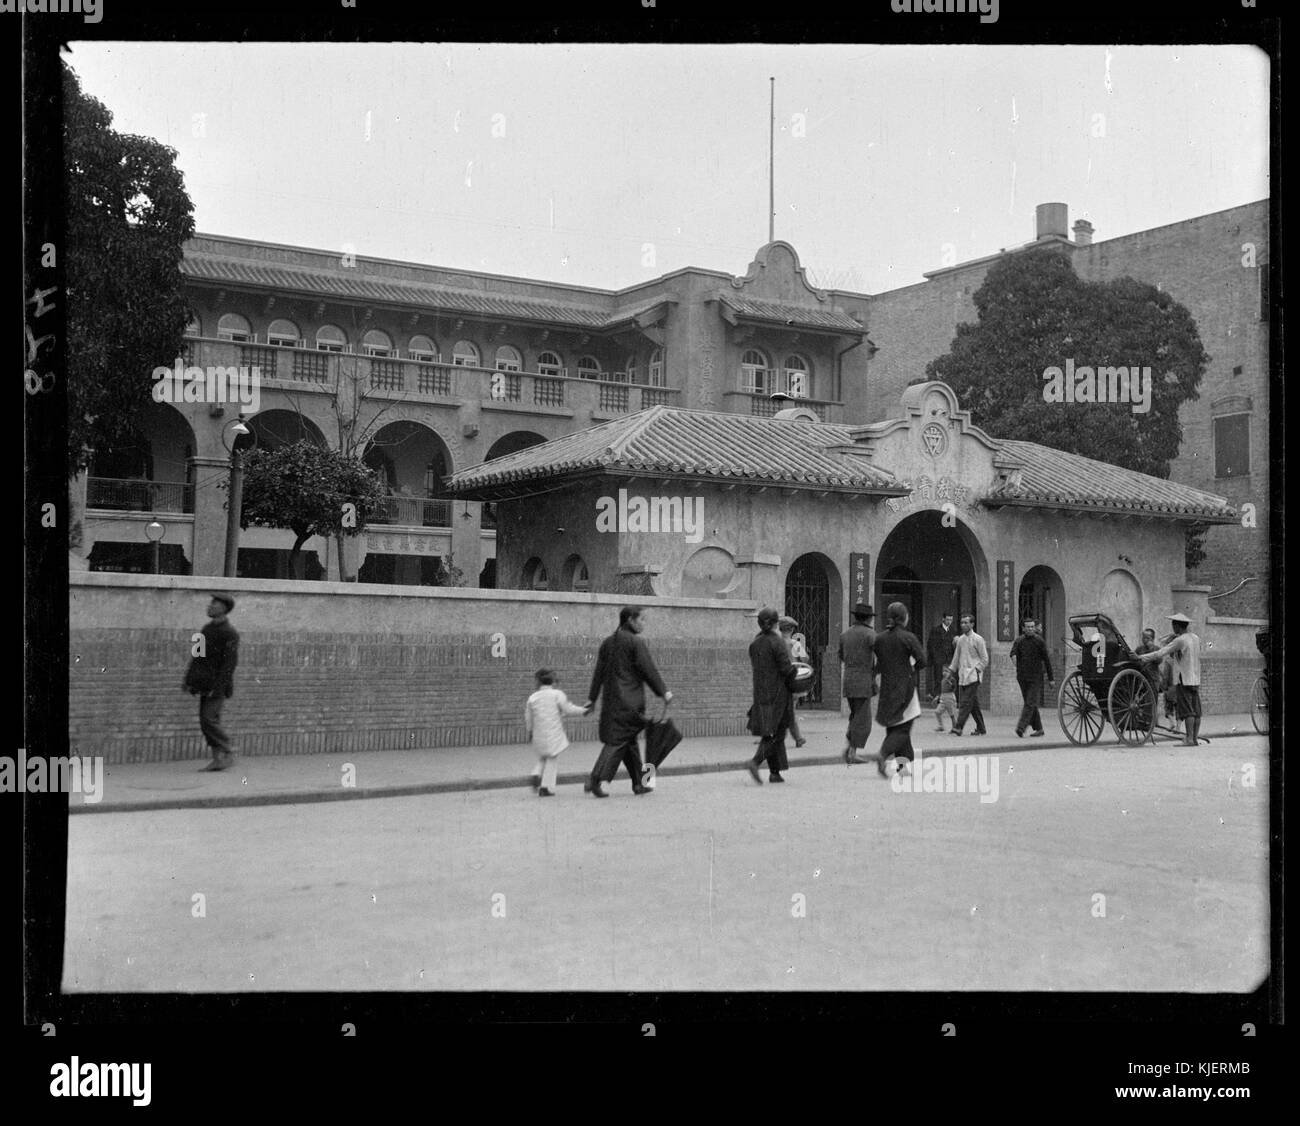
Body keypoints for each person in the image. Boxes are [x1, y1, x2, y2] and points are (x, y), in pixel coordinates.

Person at [585, 606, 672, 797]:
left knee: (629, 743)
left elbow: (598, 674)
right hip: (630, 703)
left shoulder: (607, 643)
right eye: (642, 620)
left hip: (612, 702)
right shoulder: (635, 642)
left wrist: (592, 699)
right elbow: (648, 669)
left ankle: (639, 784)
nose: (644, 624)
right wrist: (663, 691)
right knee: (619, 742)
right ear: (630, 620)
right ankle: (597, 778)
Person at [183, 592, 240, 772]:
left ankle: (227, 749)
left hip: (217, 686)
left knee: (208, 719)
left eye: (214, 604)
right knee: (205, 720)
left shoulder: (230, 633)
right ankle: (218, 759)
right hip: (204, 683)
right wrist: (189, 680)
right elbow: (197, 656)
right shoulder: (206, 630)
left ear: (223, 609)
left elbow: (229, 664)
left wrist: (219, 688)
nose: (210, 606)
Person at [874, 602, 927, 777]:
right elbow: (922, 660)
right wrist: (910, 668)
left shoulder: (880, 638)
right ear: (904, 618)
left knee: (895, 725)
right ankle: (883, 754)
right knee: (904, 727)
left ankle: (903, 767)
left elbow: (879, 663)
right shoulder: (908, 637)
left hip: (887, 687)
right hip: (906, 687)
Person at [1137, 612, 1204, 746]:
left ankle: (1189, 739)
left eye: (1173, 625)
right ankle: (1194, 738)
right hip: (1195, 677)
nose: (1172, 628)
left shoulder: (1180, 640)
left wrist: (1140, 658)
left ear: (1177, 626)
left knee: (1188, 710)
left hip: (1184, 678)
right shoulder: (1195, 638)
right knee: (1196, 709)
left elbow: (1160, 652)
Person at [745, 607, 795, 784]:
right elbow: (786, 668)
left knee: (771, 732)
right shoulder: (778, 642)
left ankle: (775, 773)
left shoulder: (755, 642)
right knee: (776, 734)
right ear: (775, 623)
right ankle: (755, 762)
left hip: (761, 694)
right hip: (778, 695)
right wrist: (795, 672)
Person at [525, 669, 588, 797]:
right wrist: (583, 710)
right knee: (552, 757)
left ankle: (536, 774)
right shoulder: (557, 694)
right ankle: (545, 787)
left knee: (544, 756)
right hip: (553, 731)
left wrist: (530, 731)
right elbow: (568, 709)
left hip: (538, 732)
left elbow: (528, 717)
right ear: (552, 681)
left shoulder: (532, 698)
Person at [838, 603, 877, 764]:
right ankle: (852, 752)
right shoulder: (870, 634)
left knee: (855, 716)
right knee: (863, 720)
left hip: (848, 679)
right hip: (864, 680)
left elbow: (840, 655)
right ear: (868, 618)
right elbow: (880, 654)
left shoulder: (845, 634)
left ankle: (849, 749)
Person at [1010, 617, 1055, 737]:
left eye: (1032, 627)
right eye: (1028, 627)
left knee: (1029, 703)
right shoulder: (1019, 641)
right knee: (1030, 703)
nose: (1030, 629)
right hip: (1022, 677)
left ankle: (1021, 727)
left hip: (1036, 677)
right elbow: (1013, 653)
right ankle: (1039, 729)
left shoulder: (1039, 641)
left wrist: (1051, 679)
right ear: (1023, 628)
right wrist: (1015, 660)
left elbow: (1046, 660)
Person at [948, 612, 988, 736]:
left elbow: (984, 658)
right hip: (963, 675)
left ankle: (958, 727)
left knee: (965, 702)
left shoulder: (978, 639)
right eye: (962, 622)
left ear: (972, 624)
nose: (963, 625)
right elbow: (956, 657)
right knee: (973, 704)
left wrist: (977, 670)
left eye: (966, 622)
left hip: (973, 675)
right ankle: (981, 728)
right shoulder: (961, 639)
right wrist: (951, 671)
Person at [778, 615, 809, 748]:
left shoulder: (775, 643)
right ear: (791, 630)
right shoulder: (794, 644)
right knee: (790, 710)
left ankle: (794, 737)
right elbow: (805, 659)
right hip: (792, 681)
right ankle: (797, 737)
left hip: (778, 681)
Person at [925, 612, 958, 698]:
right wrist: (935, 657)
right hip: (939, 659)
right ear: (943, 619)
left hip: (949, 659)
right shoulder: (936, 630)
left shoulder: (953, 631)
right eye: (947, 619)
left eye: (951, 620)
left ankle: (946, 696)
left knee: (948, 678)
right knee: (938, 678)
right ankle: (937, 696)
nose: (949, 622)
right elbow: (931, 644)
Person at [932, 668, 958, 733]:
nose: (944, 672)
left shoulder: (951, 679)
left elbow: (954, 688)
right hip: (943, 697)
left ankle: (954, 728)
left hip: (950, 697)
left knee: (952, 714)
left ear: (950, 672)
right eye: (943, 671)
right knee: (937, 712)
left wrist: (950, 683)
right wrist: (937, 697)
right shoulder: (943, 680)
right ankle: (941, 726)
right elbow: (941, 690)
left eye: (946, 671)